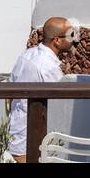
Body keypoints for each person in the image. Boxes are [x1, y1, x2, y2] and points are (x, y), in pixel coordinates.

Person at [8, 17, 76, 162]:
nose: (73, 39)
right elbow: (61, 105)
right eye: (70, 35)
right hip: (31, 135)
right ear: (57, 40)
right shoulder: (48, 66)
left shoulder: (26, 55)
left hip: (17, 127)